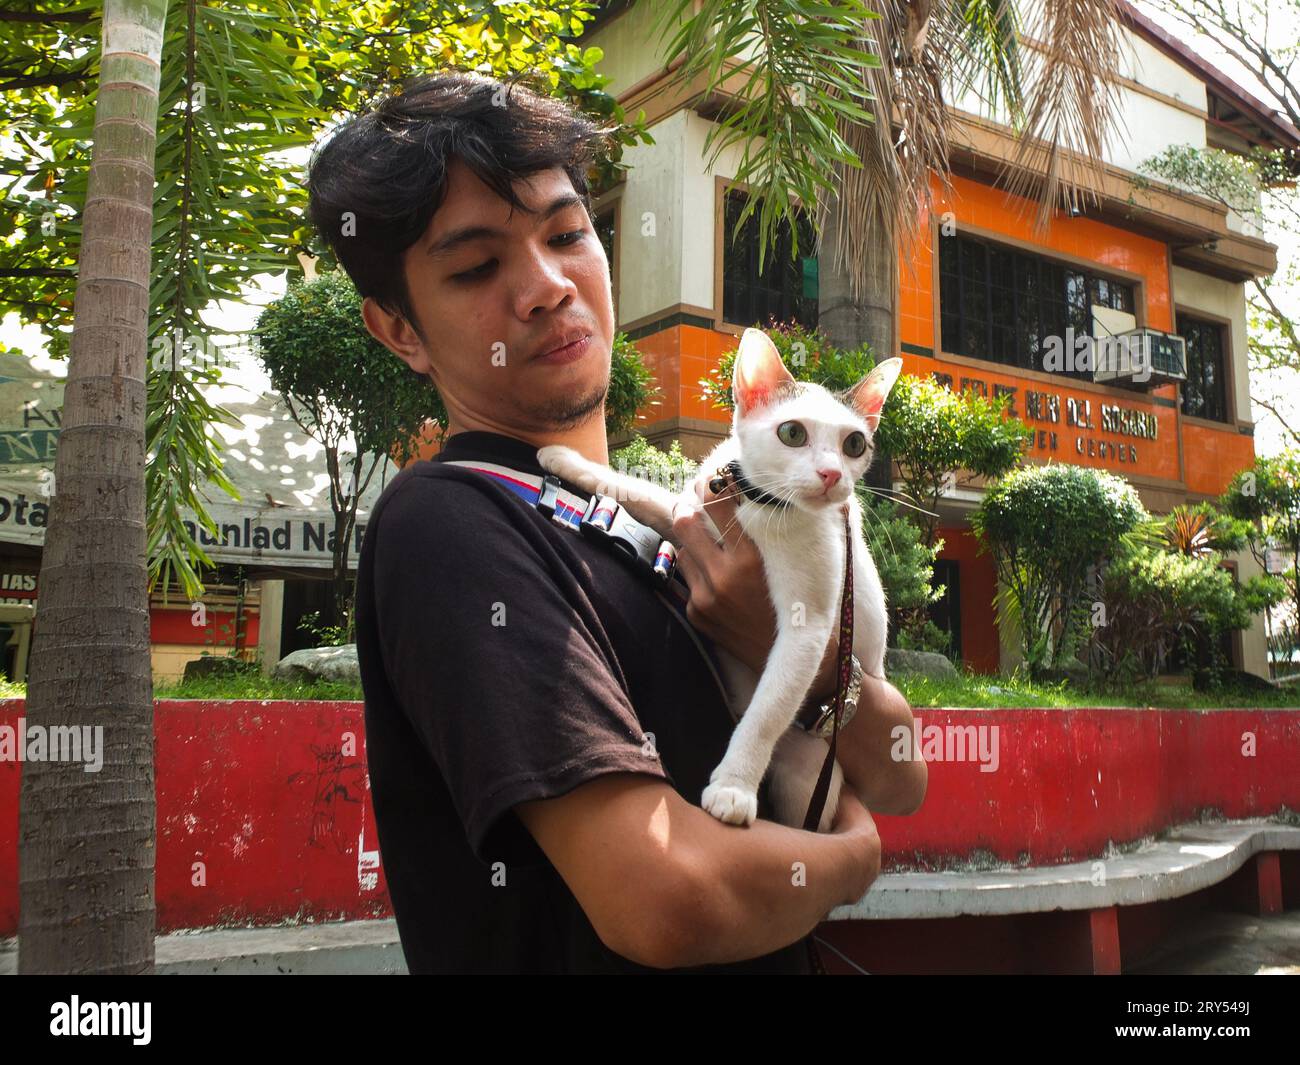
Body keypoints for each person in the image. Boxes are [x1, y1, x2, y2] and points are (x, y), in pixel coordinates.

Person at [306, 71, 926, 974]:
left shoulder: (652, 518)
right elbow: (669, 898)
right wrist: (853, 859)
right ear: (398, 329)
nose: (548, 286)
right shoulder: (450, 526)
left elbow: (903, 774)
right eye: (478, 265)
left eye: (566, 233)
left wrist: (801, 655)